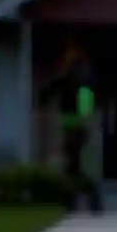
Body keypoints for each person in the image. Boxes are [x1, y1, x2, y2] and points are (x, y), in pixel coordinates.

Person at [43, 41, 104, 214]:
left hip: (71, 123)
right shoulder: (86, 76)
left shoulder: (70, 75)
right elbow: (88, 102)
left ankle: (76, 202)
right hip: (78, 124)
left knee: (72, 167)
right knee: (80, 167)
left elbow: (50, 90)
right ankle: (91, 203)